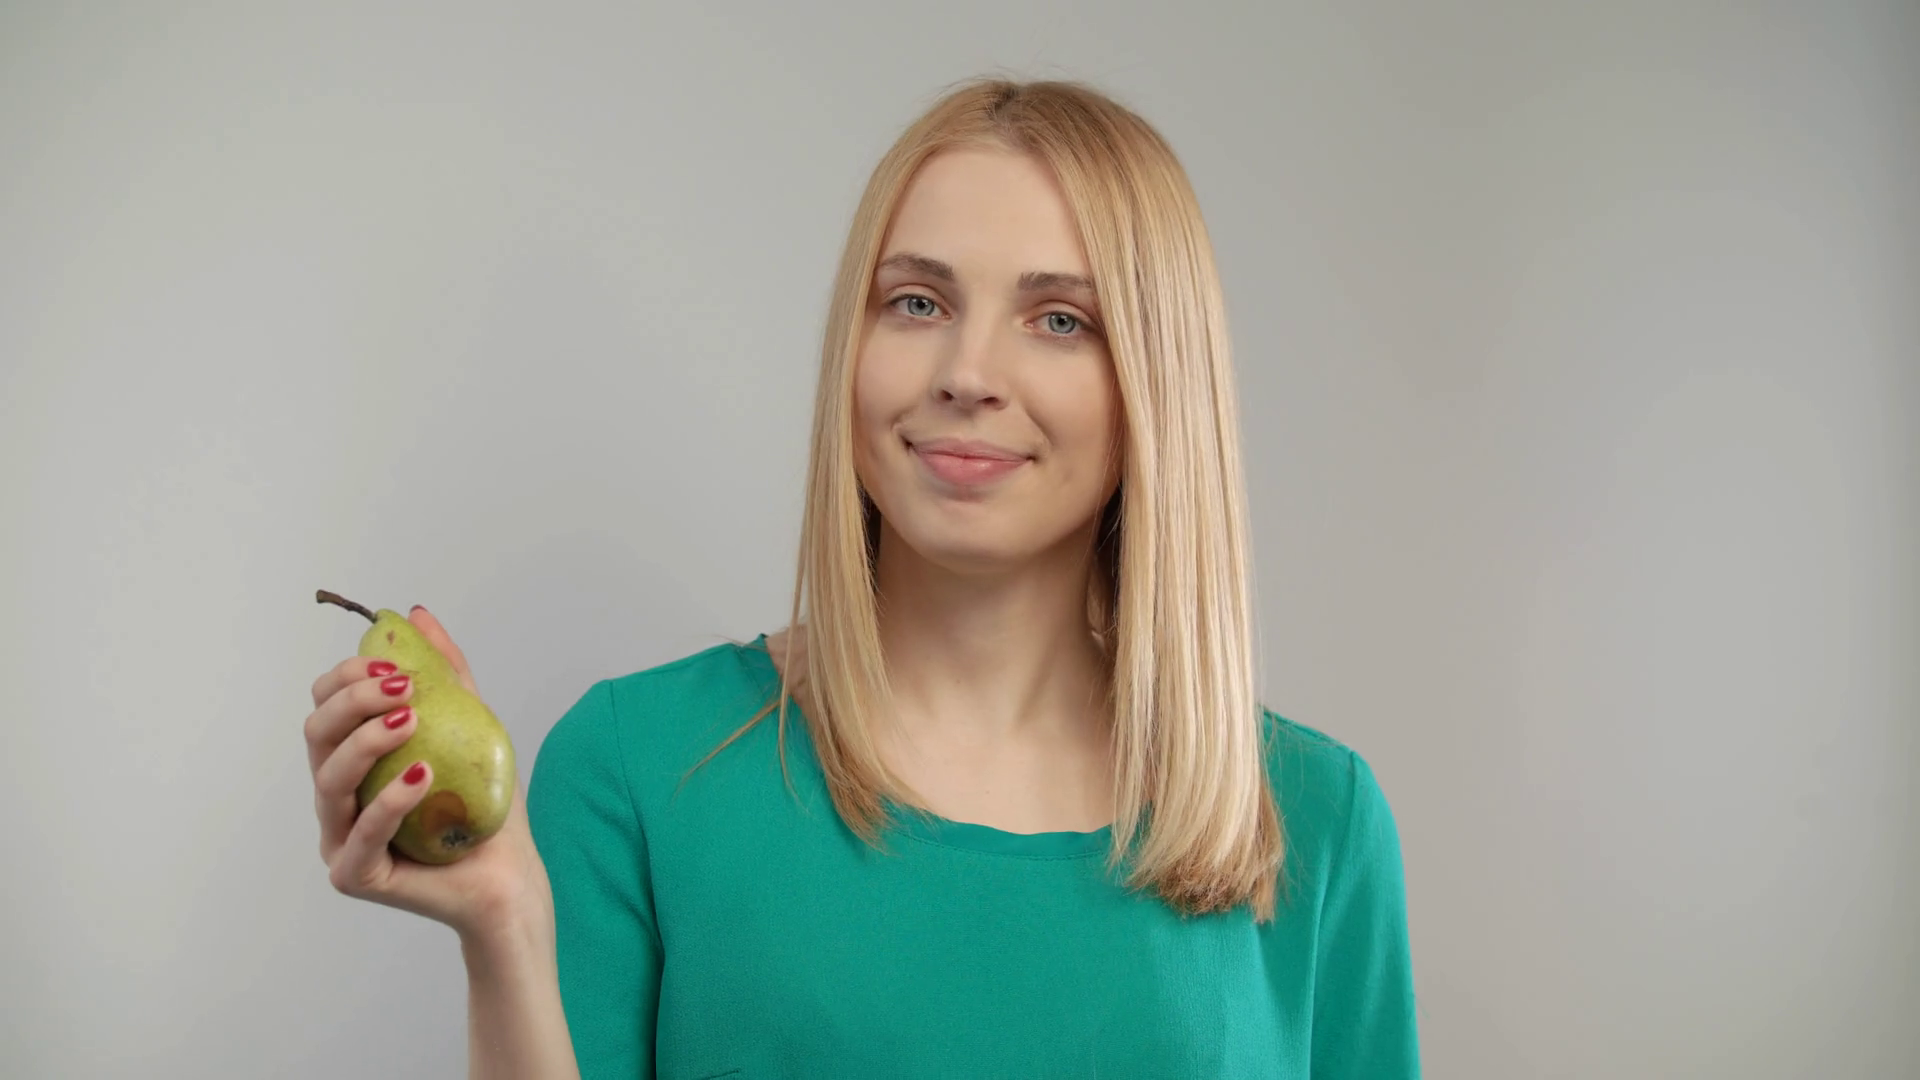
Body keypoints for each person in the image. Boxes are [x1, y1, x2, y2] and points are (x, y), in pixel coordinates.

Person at [303, 76, 1419, 1079]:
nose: (968, 373)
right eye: (918, 302)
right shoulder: (635, 770)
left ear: (1157, 386)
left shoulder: (1315, 821)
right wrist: (503, 926)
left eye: (1060, 319)